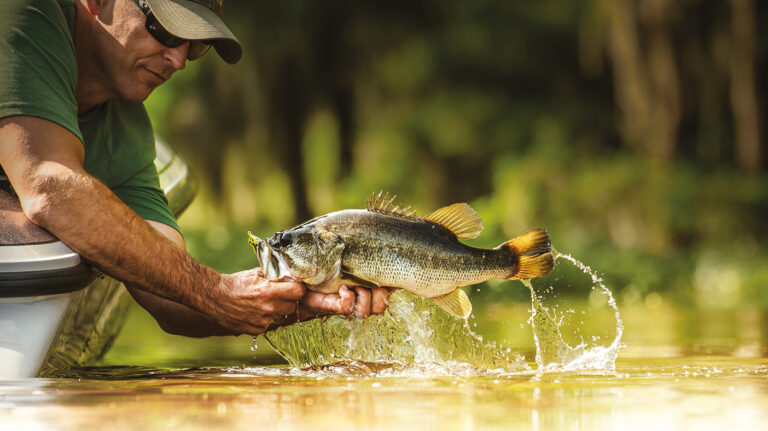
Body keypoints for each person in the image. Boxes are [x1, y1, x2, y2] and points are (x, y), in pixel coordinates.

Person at [0, 0, 391, 337]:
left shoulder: (130, 135)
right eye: (167, 30)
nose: (179, 59)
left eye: (196, 45)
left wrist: (299, 302)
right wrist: (216, 292)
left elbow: (172, 296)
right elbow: (47, 185)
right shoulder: (25, 13)